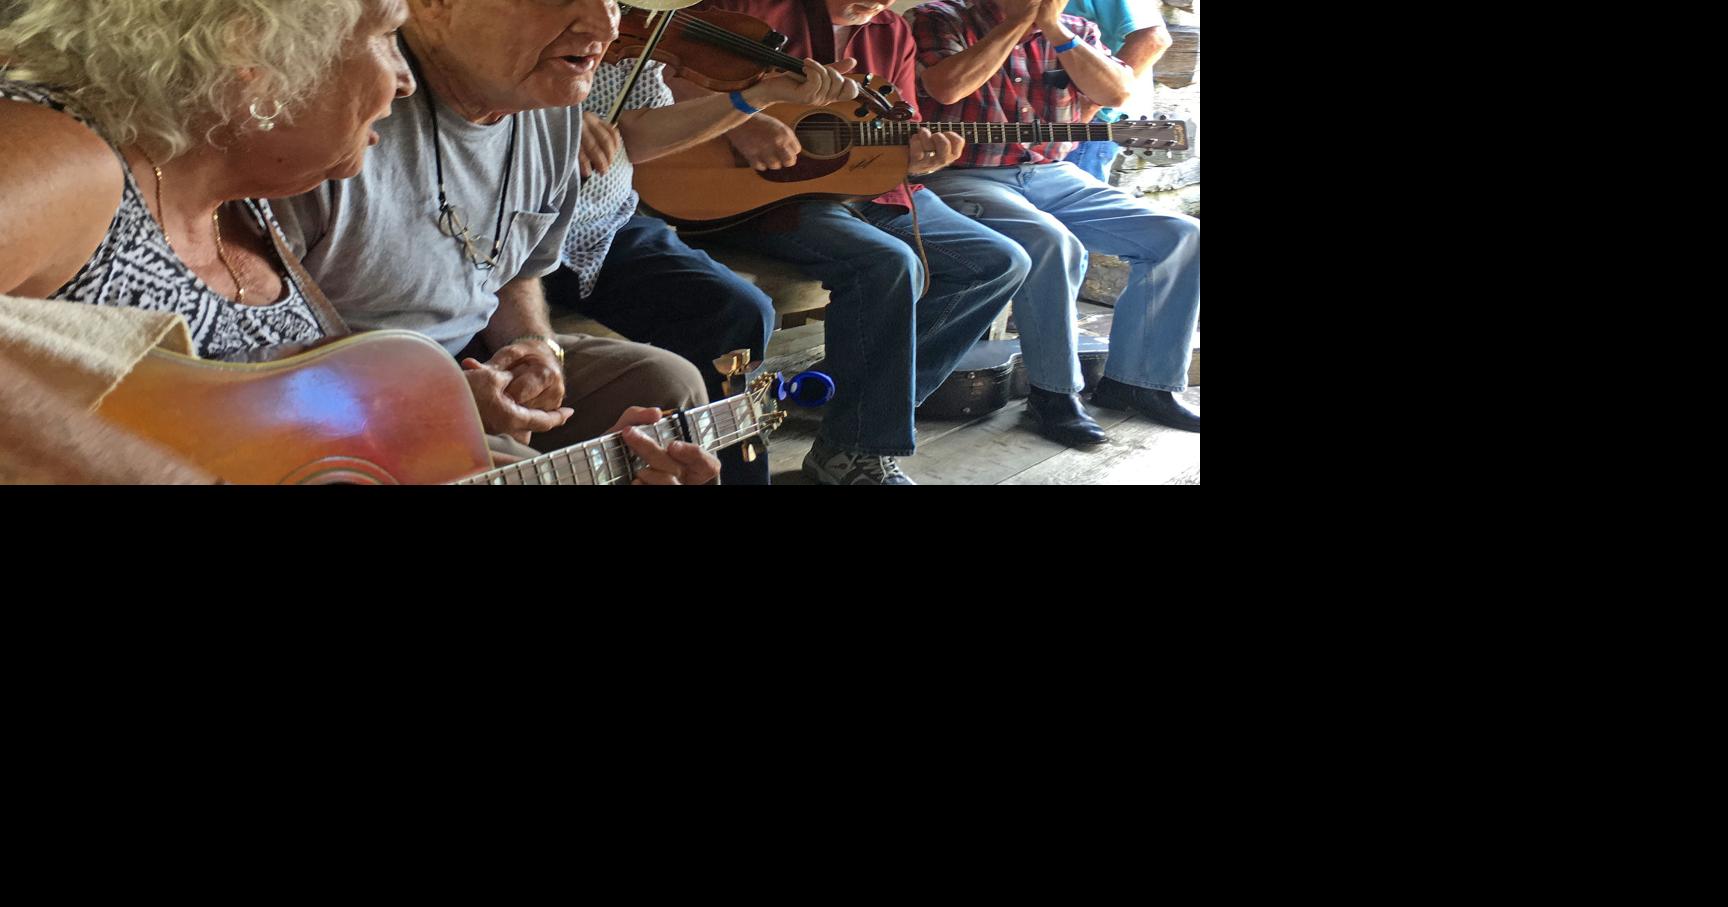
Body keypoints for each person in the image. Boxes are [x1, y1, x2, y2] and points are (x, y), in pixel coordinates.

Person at [274, 0, 720, 484]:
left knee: (668, 389)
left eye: (612, 0)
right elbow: (248, 365)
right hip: (341, 395)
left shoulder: (551, 103)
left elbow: (516, 268)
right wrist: (432, 401)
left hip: (473, 356)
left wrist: (533, 346)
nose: (606, 25)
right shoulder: (331, 117)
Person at [678, 0, 1030, 485]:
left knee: (1000, 261)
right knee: (888, 263)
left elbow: (901, 128)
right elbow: (664, 74)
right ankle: (854, 448)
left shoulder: (892, 32)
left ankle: (849, 403)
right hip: (769, 196)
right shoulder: (749, 8)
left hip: (872, 189)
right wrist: (743, 121)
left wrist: (919, 156)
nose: (880, 2)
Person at [0, 0, 414, 360]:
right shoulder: (62, 159)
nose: (406, 81)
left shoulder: (234, 202)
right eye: (387, 35)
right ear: (253, 47)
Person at [541, 53, 859, 485]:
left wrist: (757, 97)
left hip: (605, 224)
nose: (605, 24)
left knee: (738, 310)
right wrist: (541, 121)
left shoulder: (627, 45)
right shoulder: (499, 35)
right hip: (508, 231)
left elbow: (638, 136)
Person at [910, 0, 1199, 442]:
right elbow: (947, 88)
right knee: (1051, 241)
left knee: (1181, 236)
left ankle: (1140, 382)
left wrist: (1052, 27)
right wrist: (1017, 24)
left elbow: (1117, 93)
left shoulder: (1077, 29)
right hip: (962, 174)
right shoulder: (938, 18)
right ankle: (1054, 394)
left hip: (1053, 173)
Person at [1061, 0, 1172, 183]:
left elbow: (1154, 39)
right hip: (1055, 115)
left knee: (1069, 198)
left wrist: (1091, 105)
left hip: (1090, 120)